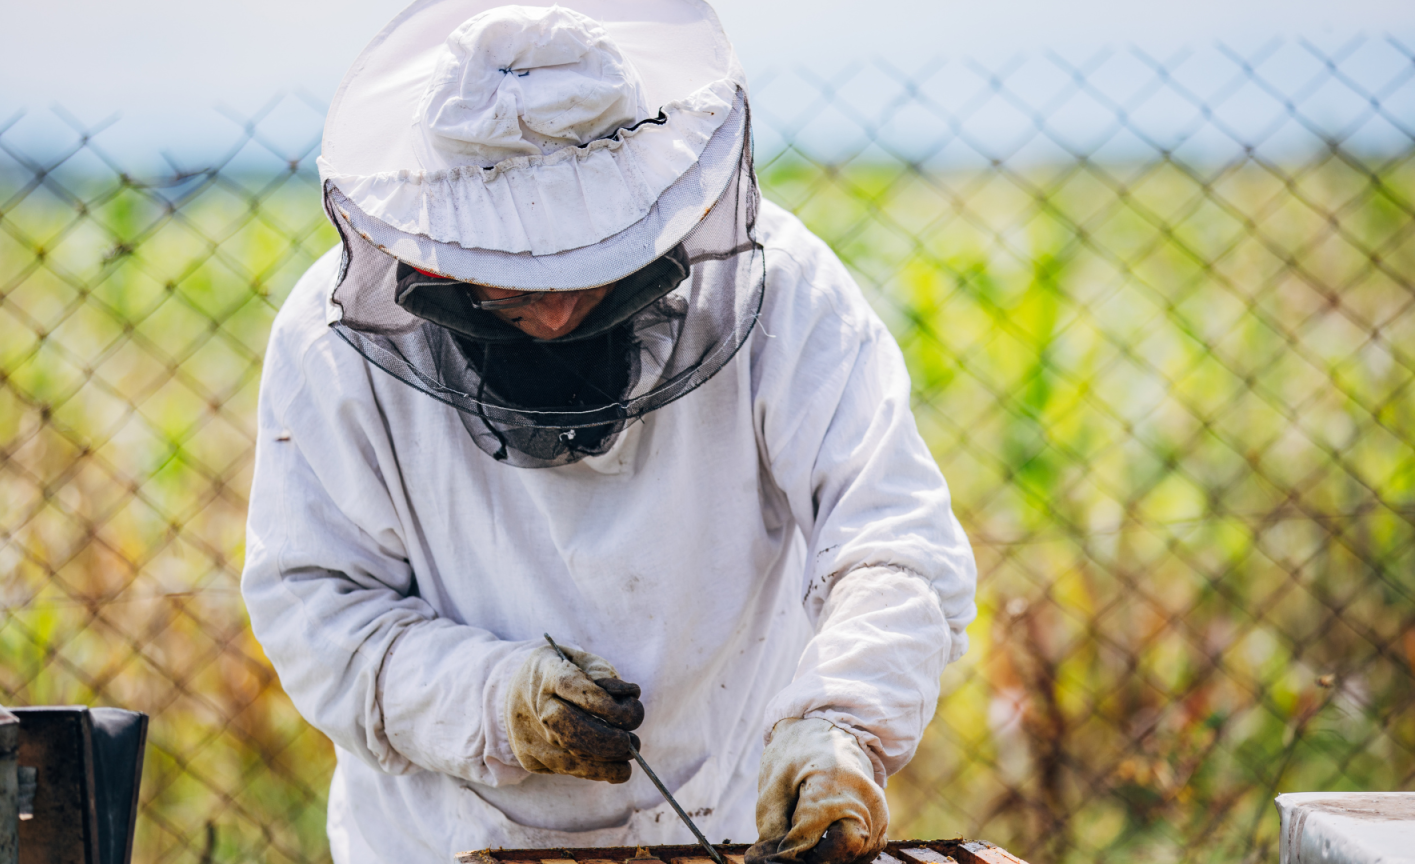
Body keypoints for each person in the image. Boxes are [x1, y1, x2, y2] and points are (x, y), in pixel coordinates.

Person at [240, 2, 978, 863]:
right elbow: (318, 610)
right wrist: (495, 699)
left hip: (733, 820)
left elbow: (892, 540)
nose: (554, 313)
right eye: (511, 277)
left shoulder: (787, 293)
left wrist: (841, 724)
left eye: (592, 263)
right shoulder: (328, 350)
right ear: (433, 254)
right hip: (441, 838)